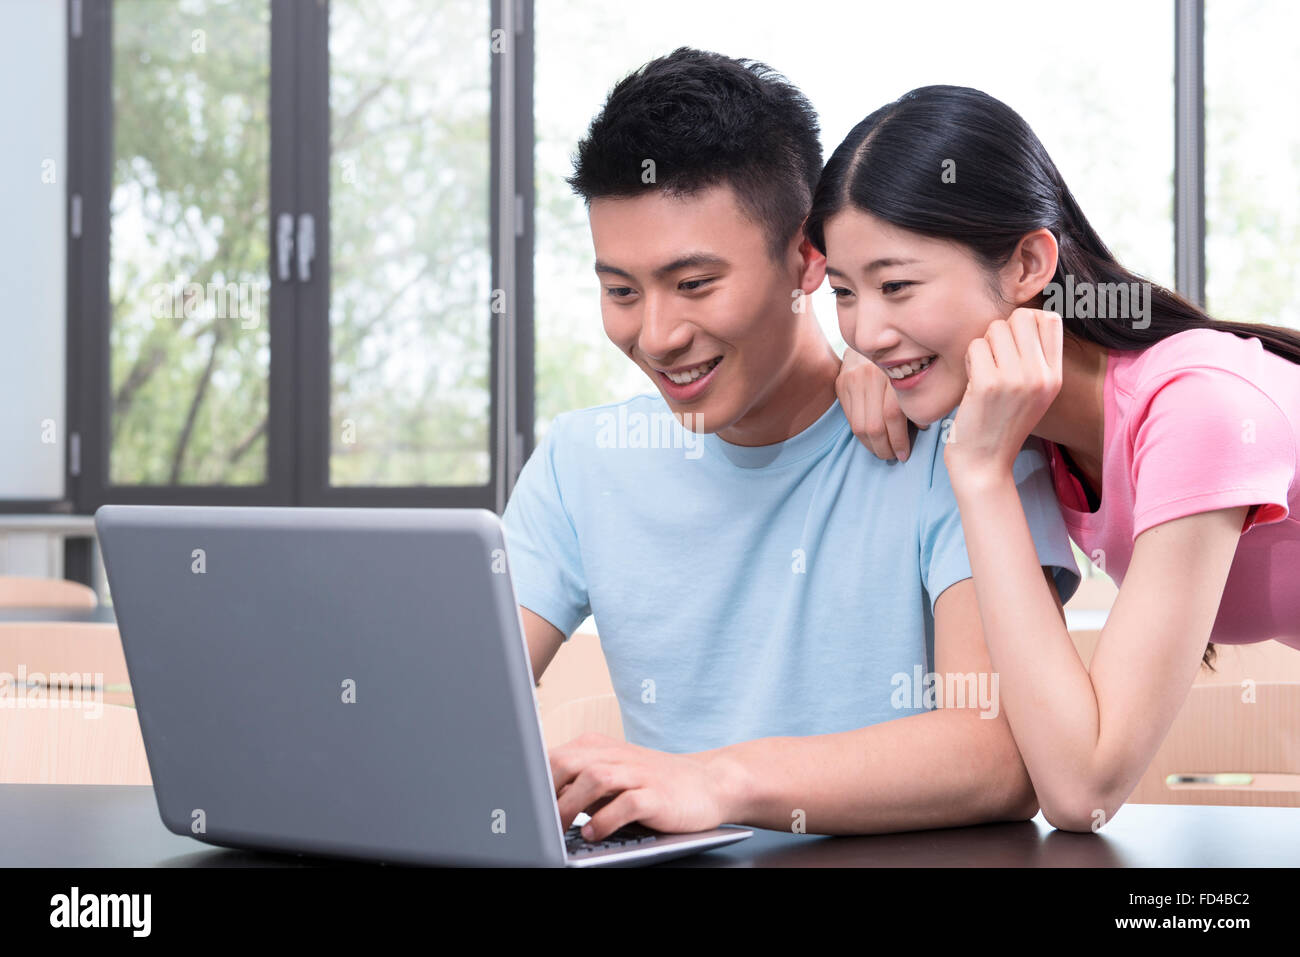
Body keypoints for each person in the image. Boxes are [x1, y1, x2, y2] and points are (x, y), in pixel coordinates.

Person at [502, 50, 1081, 843]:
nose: (659, 335)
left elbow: (998, 753)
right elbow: (455, 701)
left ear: (808, 260)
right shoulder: (580, 463)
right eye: (621, 291)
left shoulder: (966, 436)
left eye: (697, 283)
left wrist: (715, 779)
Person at [817, 84, 1300, 833]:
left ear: (1027, 264)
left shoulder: (1198, 405)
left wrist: (978, 472)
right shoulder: (1035, 422)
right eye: (845, 293)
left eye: (897, 285)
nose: (868, 329)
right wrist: (871, 363)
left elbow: (1084, 791)